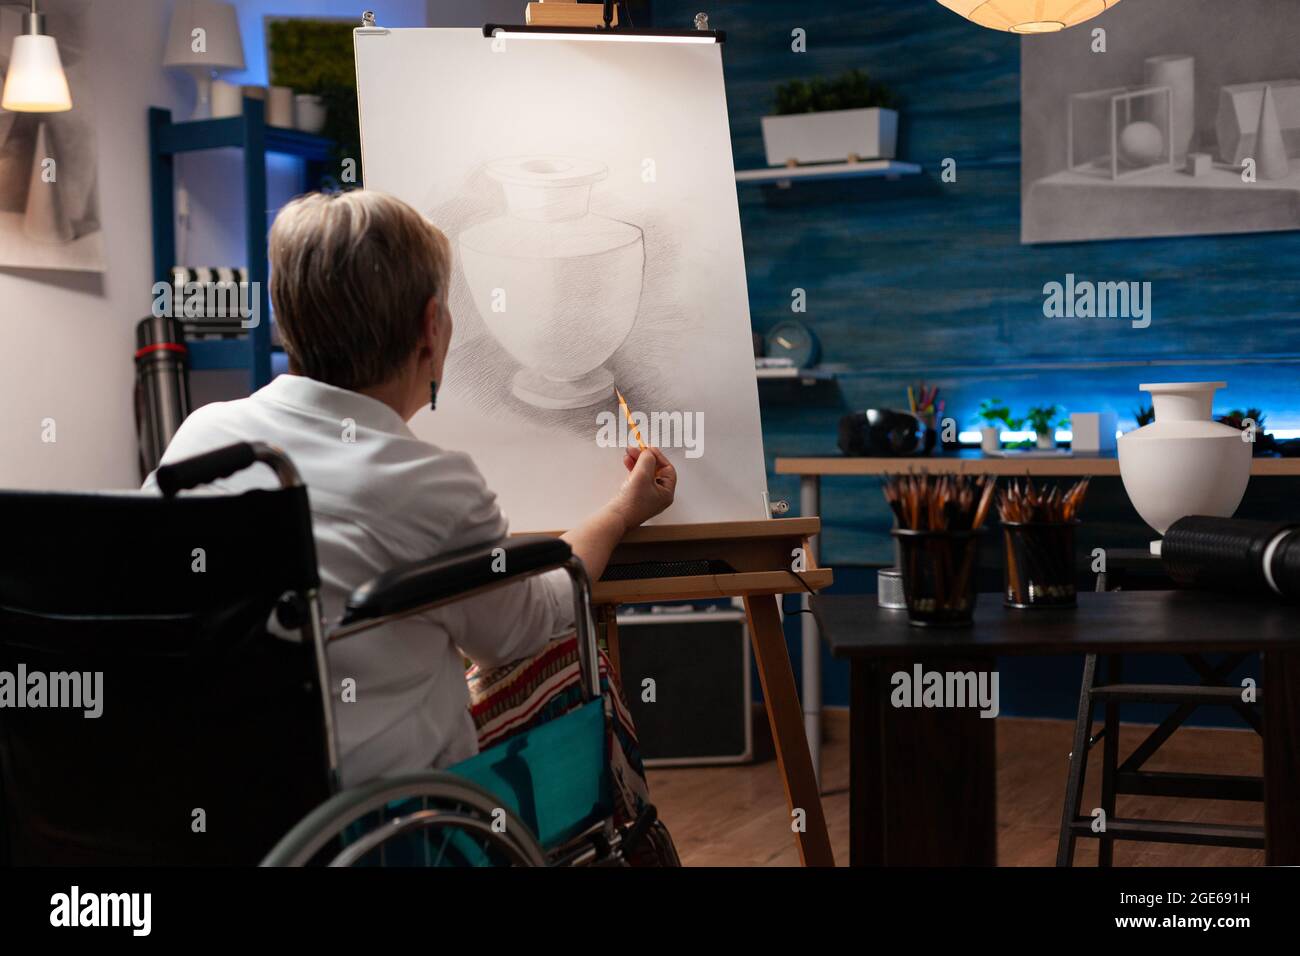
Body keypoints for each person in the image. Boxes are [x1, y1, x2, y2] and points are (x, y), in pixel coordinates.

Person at [144, 190, 679, 863]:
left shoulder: (201, 439)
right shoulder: (426, 480)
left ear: (285, 318)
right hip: (388, 828)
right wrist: (622, 511)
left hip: (218, 810)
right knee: (571, 656)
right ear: (432, 327)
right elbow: (539, 619)